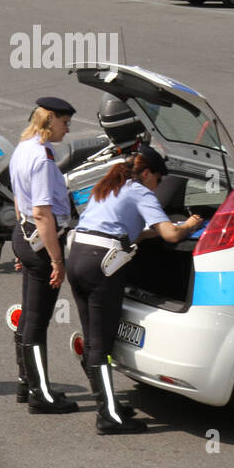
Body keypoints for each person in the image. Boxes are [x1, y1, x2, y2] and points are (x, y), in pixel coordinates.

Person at [67, 145, 202, 434]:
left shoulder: (107, 187)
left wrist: (160, 227)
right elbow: (171, 235)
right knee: (101, 345)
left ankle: (108, 404)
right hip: (103, 266)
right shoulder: (141, 191)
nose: (159, 184)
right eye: (159, 178)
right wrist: (190, 223)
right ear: (148, 172)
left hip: (78, 257)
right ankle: (108, 417)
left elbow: (129, 230)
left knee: (93, 340)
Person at [8, 96, 79, 414]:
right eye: (65, 122)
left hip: (24, 236)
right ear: (50, 120)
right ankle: (40, 394)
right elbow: (41, 213)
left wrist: (25, 242)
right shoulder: (41, 158)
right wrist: (56, 260)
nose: (67, 129)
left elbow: (19, 203)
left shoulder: (23, 148)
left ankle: (26, 383)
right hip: (41, 241)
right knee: (37, 322)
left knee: (29, 319)